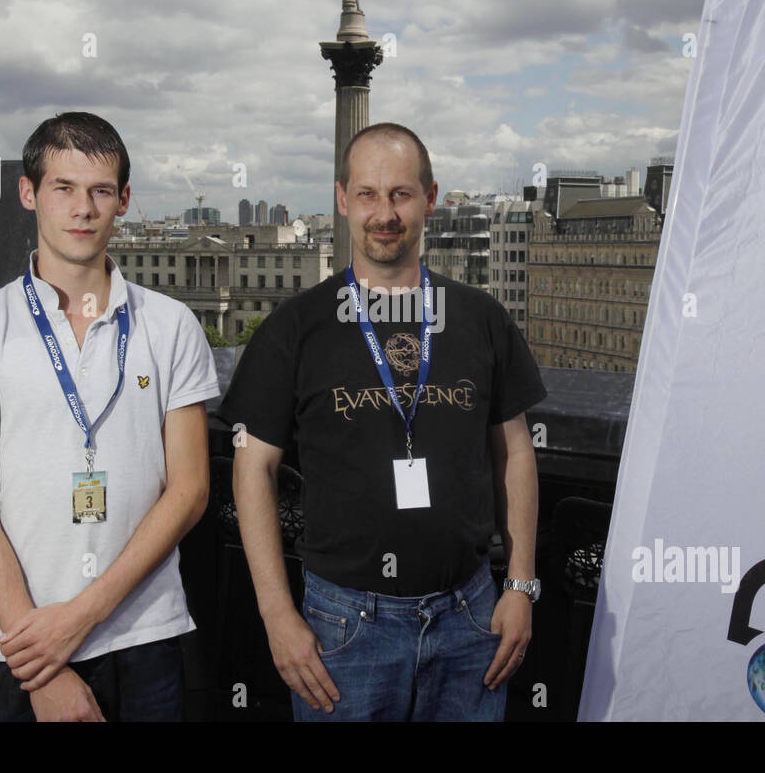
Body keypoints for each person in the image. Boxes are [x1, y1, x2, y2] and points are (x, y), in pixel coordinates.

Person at [220, 122, 546, 721]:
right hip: (343, 630)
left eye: (401, 193)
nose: (385, 212)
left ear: (431, 197)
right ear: (342, 199)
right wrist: (276, 616)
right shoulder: (295, 328)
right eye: (367, 194)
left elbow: (516, 452)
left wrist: (521, 585)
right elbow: (253, 470)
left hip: (471, 618)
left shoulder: (480, 318)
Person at [0, 112, 218, 721]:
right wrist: (44, 663)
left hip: (145, 635)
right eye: (63, 188)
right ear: (30, 194)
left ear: (123, 201)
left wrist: (79, 618)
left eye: (100, 191)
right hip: (15, 647)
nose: (82, 208)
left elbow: (189, 491)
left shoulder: (170, 325)